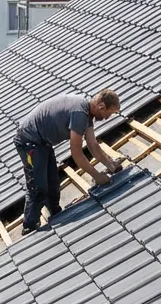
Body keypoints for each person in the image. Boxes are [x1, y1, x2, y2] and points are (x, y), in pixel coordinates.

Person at [15, 89, 122, 233]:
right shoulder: (80, 114)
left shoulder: (87, 113)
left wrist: (111, 165)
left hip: (42, 142)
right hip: (29, 142)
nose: (108, 117)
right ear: (101, 106)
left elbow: (92, 144)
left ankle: (56, 214)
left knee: (53, 184)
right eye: (109, 113)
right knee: (39, 186)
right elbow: (77, 154)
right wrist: (98, 177)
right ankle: (29, 227)